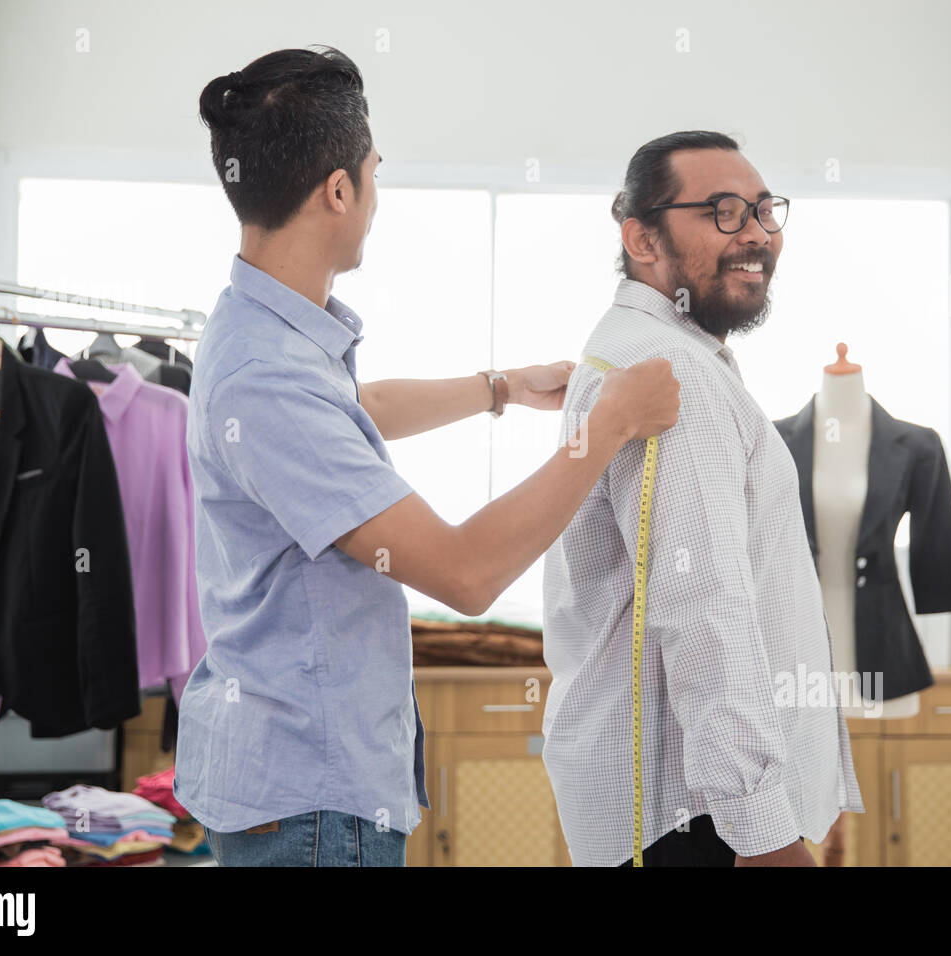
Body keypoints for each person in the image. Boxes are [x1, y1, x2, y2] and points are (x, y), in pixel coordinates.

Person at [172, 46, 680, 867]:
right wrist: (609, 426)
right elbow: (464, 573)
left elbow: (355, 414)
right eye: (374, 171)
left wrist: (500, 387)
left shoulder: (262, 328)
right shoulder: (267, 377)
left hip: (304, 787)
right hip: (314, 806)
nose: (377, 194)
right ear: (340, 188)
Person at [541, 131, 865, 867]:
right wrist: (764, 835)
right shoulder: (664, 373)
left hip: (693, 814)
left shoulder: (674, 356)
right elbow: (702, 610)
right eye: (721, 212)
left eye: (762, 210)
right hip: (695, 822)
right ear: (641, 238)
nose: (754, 234)